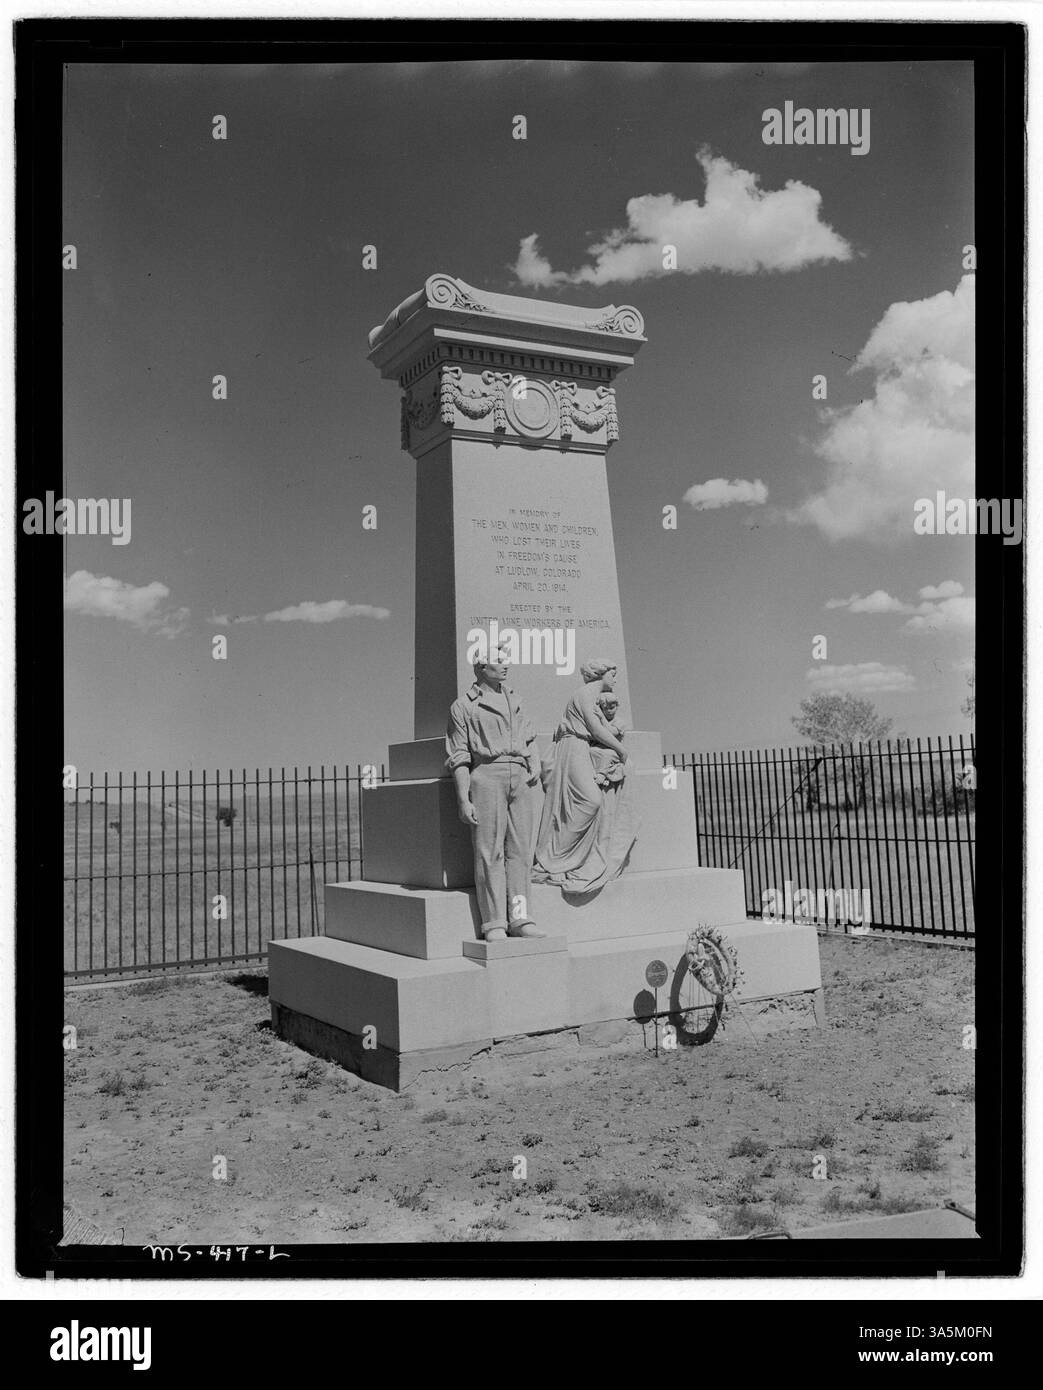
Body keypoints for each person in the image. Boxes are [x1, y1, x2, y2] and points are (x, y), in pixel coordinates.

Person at [445, 648, 546, 941]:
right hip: (487, 774)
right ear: (480, 668)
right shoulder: (464, 706)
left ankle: (521, 918)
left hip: (521, 776)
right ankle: (494, 923)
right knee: (490, 852)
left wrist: (535, 762)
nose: (505, 666)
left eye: (506, 661)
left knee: (521, 852)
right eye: (498, 662)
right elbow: (460, 755)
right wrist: (464, 798)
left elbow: (529, 736)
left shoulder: (515, 698)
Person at [533, 658, 637, 894]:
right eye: (612, 673)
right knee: (590, 801)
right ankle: (552, 860)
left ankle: (560, 858)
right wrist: (621, 749)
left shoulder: (592, 695)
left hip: (581, 748)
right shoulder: (586, 693)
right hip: (573, 748)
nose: (615, 678)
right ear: (601, 674)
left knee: (589, 802)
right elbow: (596, 729)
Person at [590, 691, 627, 788]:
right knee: (591, 751)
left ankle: (602, 775)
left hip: (614, 751)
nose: (609, 711)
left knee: (607, 754)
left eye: (612, 707)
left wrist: (602, 718)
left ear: (617, 706)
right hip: (598, 749)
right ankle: (602, 775)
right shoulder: (598, 722)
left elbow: (611, 732)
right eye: (605, 708)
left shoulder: (619, 722)